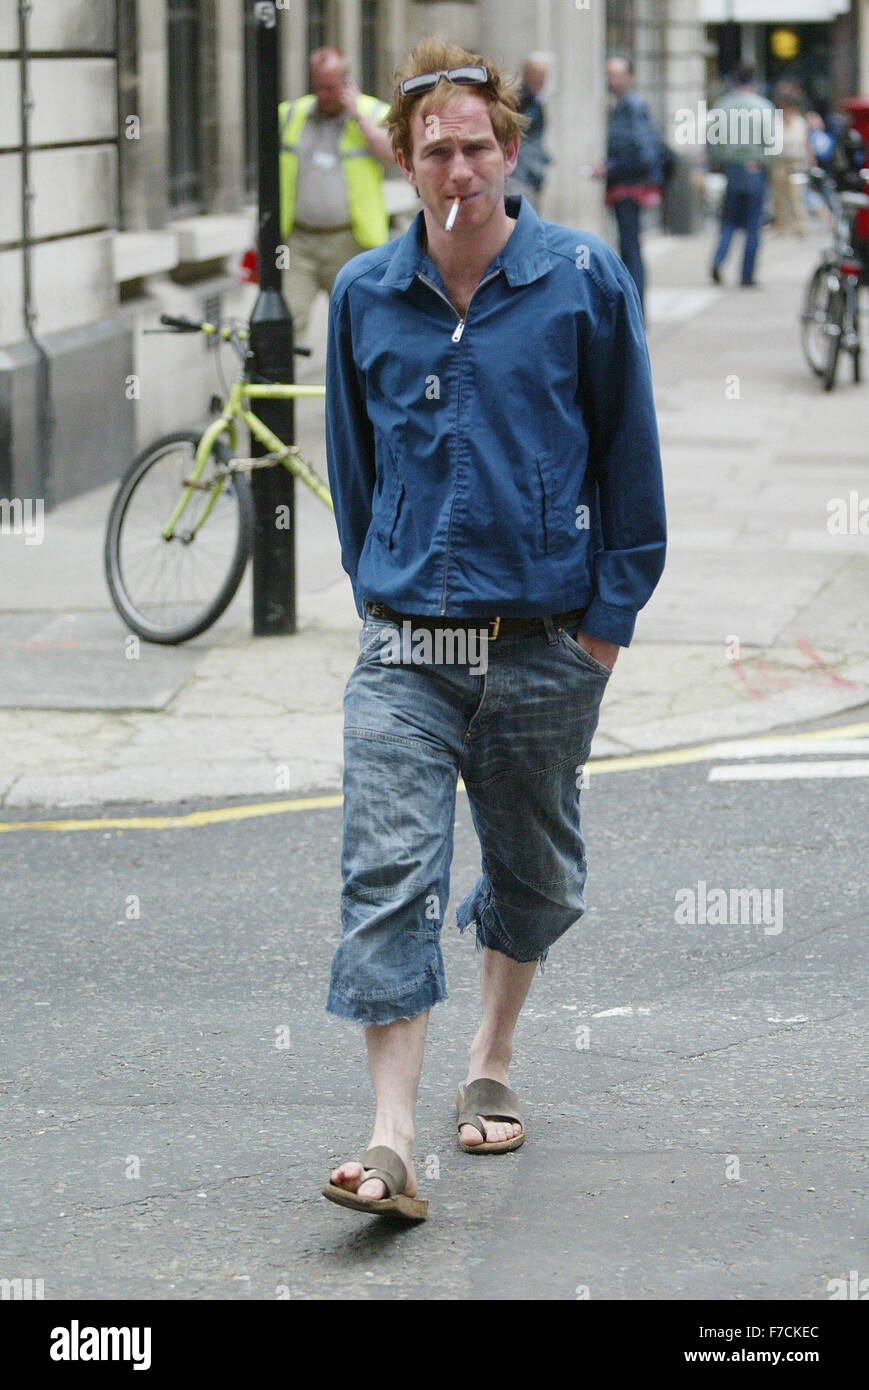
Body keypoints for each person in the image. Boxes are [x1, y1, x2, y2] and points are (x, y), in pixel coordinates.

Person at [319, 36, 666, 1221]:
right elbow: (353, 478)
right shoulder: (363, 295)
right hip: (407, 651)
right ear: (405, 163)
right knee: (385, 873)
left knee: (533, 876)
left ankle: (493, 1058)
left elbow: (630, 467)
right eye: (434, 149)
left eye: (475, 146)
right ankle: (388, 1141)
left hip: (541, 644)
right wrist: (380, 592)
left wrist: (599, 635)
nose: (456, 167)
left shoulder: (580, 280)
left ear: (510, 153)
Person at [278, 47, 394, 338]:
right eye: (317, 86)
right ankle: (279, 382)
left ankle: (354, 385)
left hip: (351, 242)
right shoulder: (292, 114)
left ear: (346, 82)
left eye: (330, 87)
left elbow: (392, 155)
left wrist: (358, 117)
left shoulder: (373, 112)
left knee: (357, 327)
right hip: (299, 242)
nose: (323, 94)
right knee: (286, 322)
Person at [594, 54, 663, 315]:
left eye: (617, 74)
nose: (611, 80)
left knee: (631, 250)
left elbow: (642, 152)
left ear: (629, 77)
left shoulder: (631, 106)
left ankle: (635, 309)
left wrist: (610, 167)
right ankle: (634, 308)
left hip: (629, 188)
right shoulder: (621, 105)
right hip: (625, 186)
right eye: (609, 74)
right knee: (629, 248)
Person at [709, 64, 778, 287]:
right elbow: (771, 143)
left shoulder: (722, 106)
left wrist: (723, 161)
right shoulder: (763, 107)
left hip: (731, 169)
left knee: (728, 221)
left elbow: (712, 141)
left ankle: (718, 260)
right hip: (754, 169)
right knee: (752, 225)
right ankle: (746, 275)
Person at [505, 54, 551, 210]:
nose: (541, 79)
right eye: (537, 74)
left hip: (531, 171)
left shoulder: (536, 100)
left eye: (543, 75)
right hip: (520, 171)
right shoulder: (522, 99)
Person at [771, 85, 809, 235]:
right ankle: (782, 226)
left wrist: (810, 163)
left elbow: (806, 144)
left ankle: (801, 226)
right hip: (779, 162)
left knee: (797, 196)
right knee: (779, 196)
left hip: (796, 162)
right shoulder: (775, 121)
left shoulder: (800, 122)